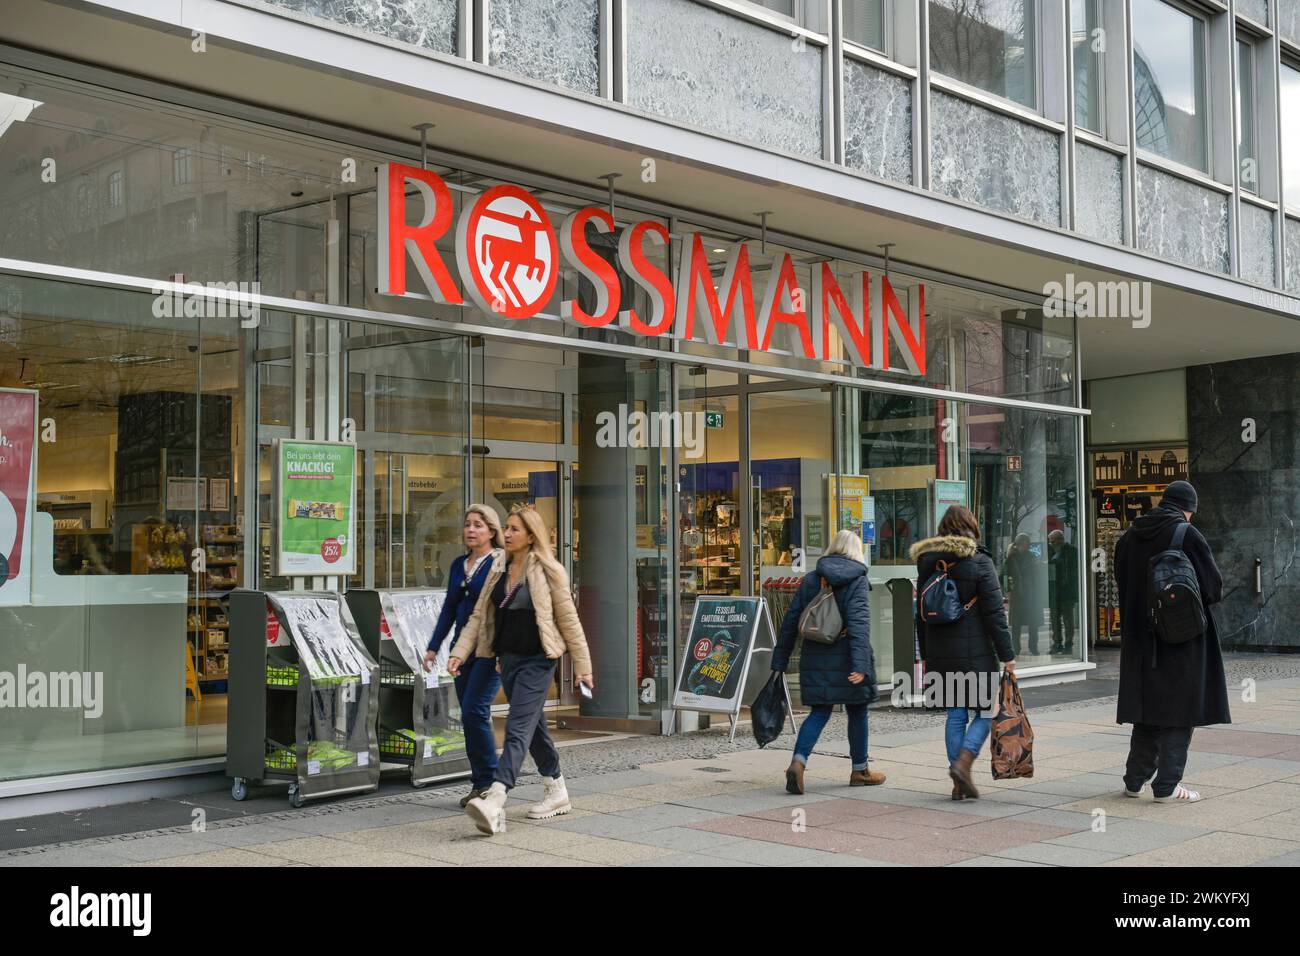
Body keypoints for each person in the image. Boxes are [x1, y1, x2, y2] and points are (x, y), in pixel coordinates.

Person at [449, 505, 594, 835]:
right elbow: (478, 617)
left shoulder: (548, 570)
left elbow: (569, 621)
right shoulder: (498, 567)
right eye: (508, 528)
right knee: (534, 727)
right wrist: (460, 652)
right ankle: (556, 788)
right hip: (508, 659)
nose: (508, 533)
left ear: (531, 536)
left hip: (538, 660)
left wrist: (583, 666)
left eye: (514, 528)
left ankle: (496, 799)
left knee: (517, 727)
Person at [1115, 480, 1229, 804]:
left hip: (1139, 641)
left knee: (1148, 710)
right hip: (1180, 640)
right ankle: (1167, 785)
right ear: (1188, 509)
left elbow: (1122, 584)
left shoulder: (1129, 537)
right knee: (1181, 711)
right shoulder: (1186, 535)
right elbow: (1213, 588)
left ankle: (1134, 780)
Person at [911, 506, 1016, 800]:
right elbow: (995, 614)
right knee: (988, 710)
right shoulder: (980, 562)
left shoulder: (927, 563)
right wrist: (1008, 656)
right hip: (975, 651)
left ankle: (958, 781)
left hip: (940, 651)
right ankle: (964, 762)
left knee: (955, 714)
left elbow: (919, 614)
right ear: (970, 527)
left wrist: (926, 652)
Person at [772, 530, 882, 795]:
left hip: (816, 654)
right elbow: (859, 625)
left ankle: (798, 763)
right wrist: (860, 665)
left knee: (820, 711)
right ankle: (860, 769)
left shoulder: (812, 579)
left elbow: (790, 622)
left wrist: (780, 660)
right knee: (857, 710)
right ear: (857, 551)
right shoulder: (857, 580)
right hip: (846, 657)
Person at [422, 505, 504, 808]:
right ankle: (481, 783)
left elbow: (504, 609)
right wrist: (434, 646)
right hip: (462, 649)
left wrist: (503, 650)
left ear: (492, 531)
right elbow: (449, 608)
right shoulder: (459, 564)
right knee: (469, 716)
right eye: (468, 524)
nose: (471, 530)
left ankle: (490, 782)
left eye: (478, 525)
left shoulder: (500, 563)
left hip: (489, 648)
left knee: (474, 710)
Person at [1003, 533, 1041, 655]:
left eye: (1028, 543)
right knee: (1016, 625)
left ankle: (1033, 647)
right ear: (1019, 544)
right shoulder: (1011, 558)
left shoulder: (1032, 557)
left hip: (1030, 594)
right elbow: (1003, 575)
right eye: (1026, 543)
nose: (1028, 545)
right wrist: (1008, 589)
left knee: (1033, 623)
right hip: (1017, 594)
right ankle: (1016, 648)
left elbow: (1038, 575)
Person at [1047, 529, 1079, 654]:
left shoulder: (1071, 552)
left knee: (1067, 618)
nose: (1051, 544)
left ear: (1059, 540)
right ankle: (1057, 643)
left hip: (1066, 591)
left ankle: (1068, 643)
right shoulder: (1051, 551)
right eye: (1051, 541)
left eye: (1053, 541)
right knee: (1055, 619)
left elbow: (1073, 572)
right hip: (1055, 590)